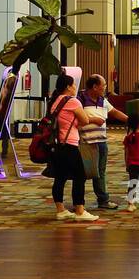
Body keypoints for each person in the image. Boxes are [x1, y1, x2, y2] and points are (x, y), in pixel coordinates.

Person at [47, 74, 98, 223]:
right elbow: (85, 120)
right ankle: (80, 210)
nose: (75, 87)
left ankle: (60, 210)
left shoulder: (55, 101)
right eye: (73, 85)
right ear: (68, 87)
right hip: (70, 144)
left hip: (58, 145)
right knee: (80, 176)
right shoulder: (73, 102)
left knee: (60, 178)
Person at [79, 73, 129, 210]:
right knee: (82, 172)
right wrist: (93, 120)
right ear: (95, 87)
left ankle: (103, 200)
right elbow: (75, 119)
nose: (105, 88)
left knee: (100, 172)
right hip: (85, 143)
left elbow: (115, 112)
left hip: (101, 142)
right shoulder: (80, 99)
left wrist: (131, 121)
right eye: (103, 85)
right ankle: (79, 202)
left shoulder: (103, 100)